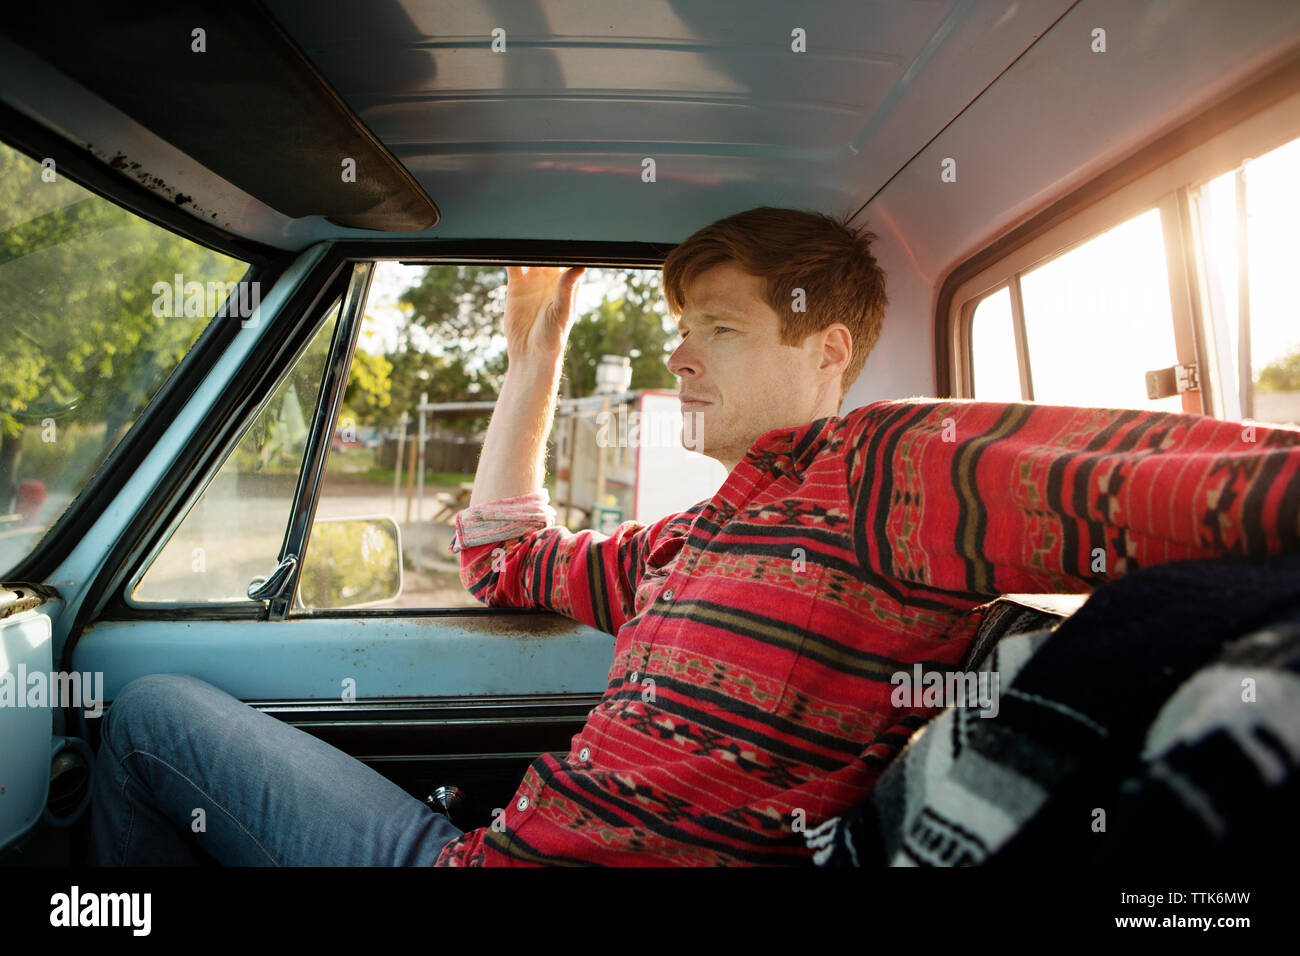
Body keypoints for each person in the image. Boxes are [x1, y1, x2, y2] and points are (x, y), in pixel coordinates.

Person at [91, 207, 1300, 867]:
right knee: (159, 707)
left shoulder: (888, 460)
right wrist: (533, 353)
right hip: (483, 849)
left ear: (825, 344)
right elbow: (503, 555)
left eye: (714, 326)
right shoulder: (689, 540)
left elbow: (1213, 483)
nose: (678, 353)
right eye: (678, 325)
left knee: (142, 715)